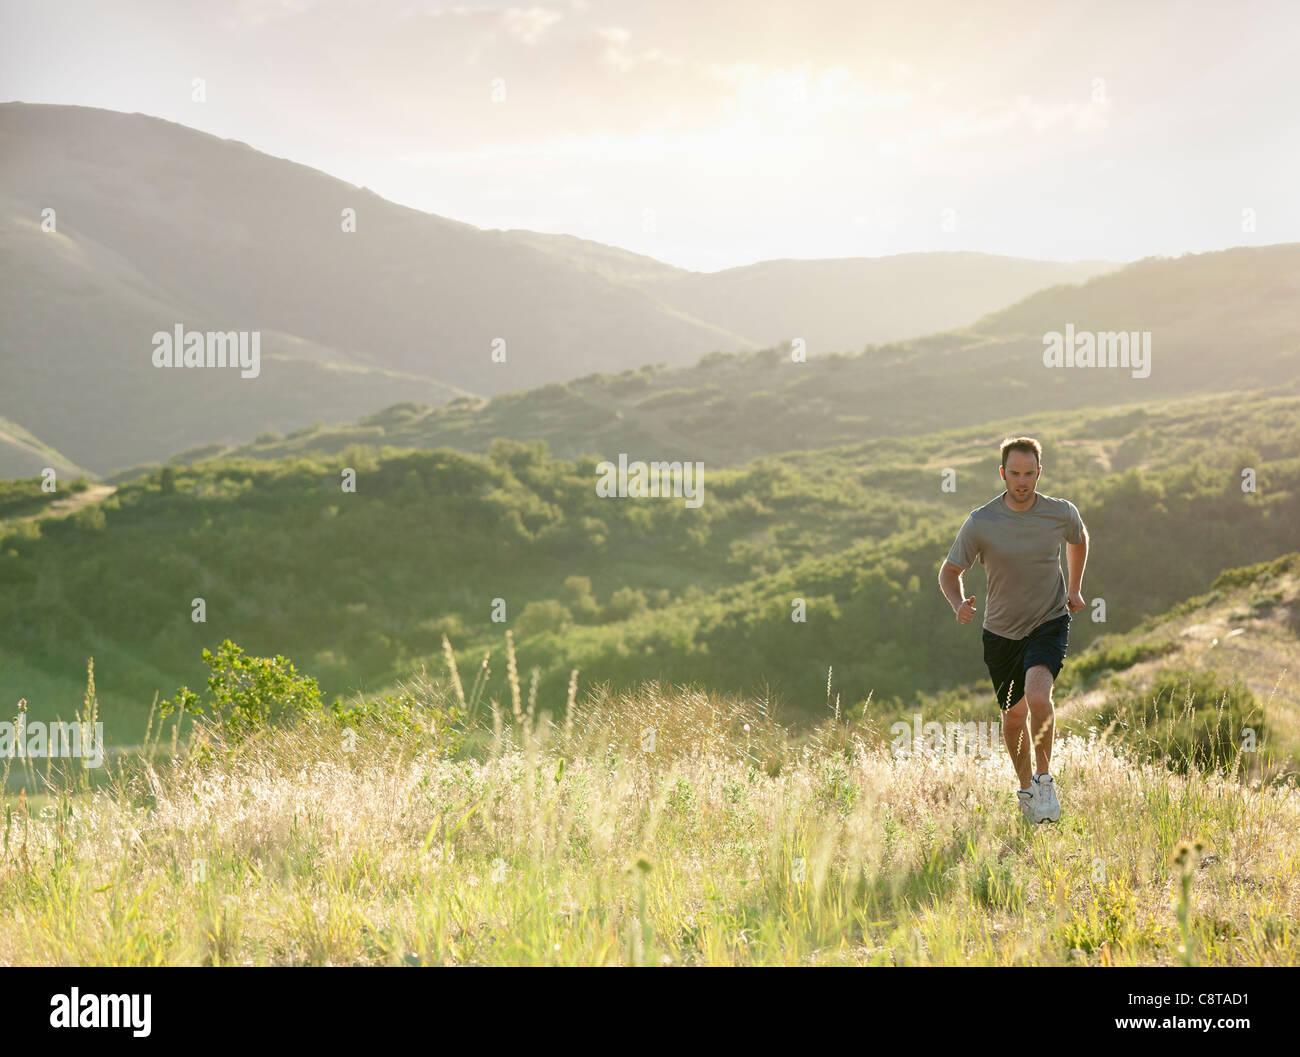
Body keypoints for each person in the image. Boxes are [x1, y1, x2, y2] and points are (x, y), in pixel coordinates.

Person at [938, 436, 1089, 824]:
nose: (1022, 481)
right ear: (1003, 474)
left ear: (1040, 472)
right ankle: (1026, 789)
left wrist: (1073, 588)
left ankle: (1044, 780)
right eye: (1015, 474)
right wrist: (958, 605)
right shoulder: (981, 521)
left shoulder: (1060, 512)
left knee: (1039, 696)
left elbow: (1079, 538)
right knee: (1013, 718)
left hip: (1049, 621)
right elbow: (949, 571)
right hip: (1001, 633)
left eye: (1029, 473)